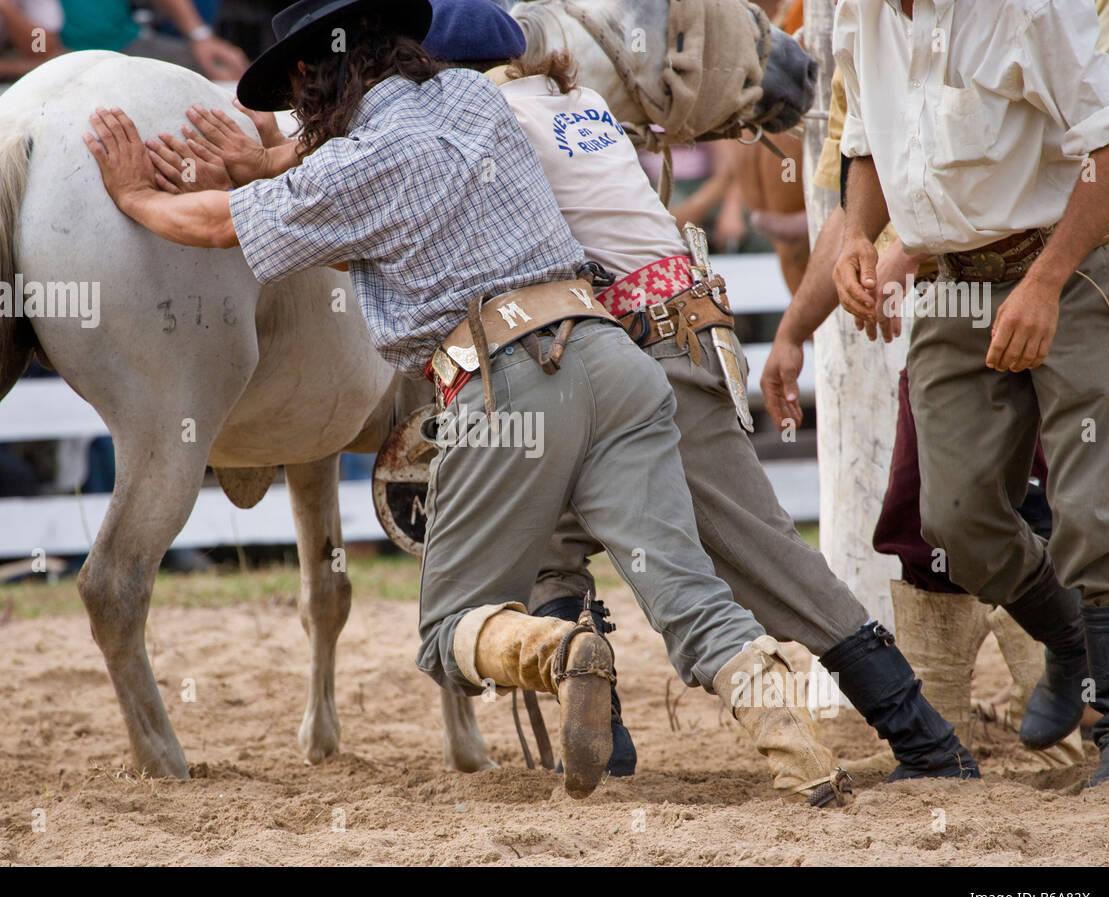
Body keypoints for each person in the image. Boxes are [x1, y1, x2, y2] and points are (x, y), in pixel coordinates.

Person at [86, 0, 853, 805]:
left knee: (449, 629)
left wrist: (136, 197)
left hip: (509, 382)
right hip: (617, 363)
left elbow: (214, 227)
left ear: (314, 76)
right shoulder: (478, 100)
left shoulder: (351, 171)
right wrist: (273, 165)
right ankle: (803, 756)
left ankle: (558, 654)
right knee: (690, 599)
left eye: (298, 86)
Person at [419, 0, 978, 788]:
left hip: (639, 339)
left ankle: (923, 737)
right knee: (554, 531)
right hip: (646, 335)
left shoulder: (485, 123)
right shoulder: (568, 102)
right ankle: (603, 735)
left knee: (759, 555)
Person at [833, 0, 1109, 785]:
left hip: (1064, 272)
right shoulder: (856, 14)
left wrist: (1043, 286)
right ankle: (1069, 640)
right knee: (953, 519)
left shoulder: (1027, 7)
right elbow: (865, 145)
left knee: (1091, 507)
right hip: (952, 280)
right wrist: (855, 237)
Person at [761, 66, 1085, 771]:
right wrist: (793, 331)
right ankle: (951, 723)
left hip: (1048, 284)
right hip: (950, 310)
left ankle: (1088, 713)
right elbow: (857, 218)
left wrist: (912, 245)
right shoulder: (860, 51)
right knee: (925, 515)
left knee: (1055, 508)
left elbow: (1023, 168)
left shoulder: (995, 29)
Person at [59, 0, 247, 82]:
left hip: (126, 44)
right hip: (57, 55)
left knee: (223, 67)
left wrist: (201, 37)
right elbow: (41, 44)